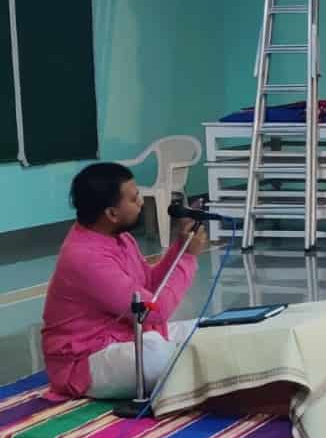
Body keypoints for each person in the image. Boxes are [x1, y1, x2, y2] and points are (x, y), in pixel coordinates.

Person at [41, 162, 208, 400]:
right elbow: (153, 311)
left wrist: (180, 247)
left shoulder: (119, 237)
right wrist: (188, 257)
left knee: (204, 328)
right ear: (111, 213)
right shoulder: (85, 256)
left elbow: (149, 285)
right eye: (134, 198)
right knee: (159, 357)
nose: (141, 203)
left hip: (125, 338)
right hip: (84, 361)